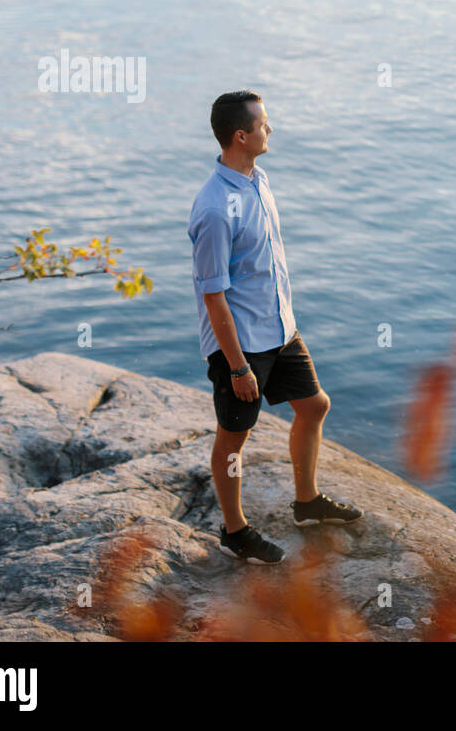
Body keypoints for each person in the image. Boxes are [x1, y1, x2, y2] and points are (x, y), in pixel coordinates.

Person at [188, 90, 361, 564]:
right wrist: (238, 367)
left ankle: (307, 503)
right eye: (264, 124)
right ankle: (235, 530)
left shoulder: (257, 179)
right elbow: (213, 295)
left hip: (280, 329)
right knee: (233, 438)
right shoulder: (215, 208)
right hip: (241, 344)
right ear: (241, 136)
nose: (271, 129)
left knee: (314, 405)